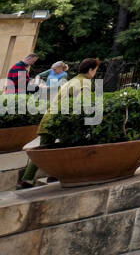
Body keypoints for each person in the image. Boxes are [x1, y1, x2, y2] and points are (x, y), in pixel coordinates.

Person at [18, 57, 99, 188]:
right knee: (67, 146)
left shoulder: (72, 80)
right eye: (95, 70)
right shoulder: (85, 83)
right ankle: (55, 174)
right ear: (90, 70)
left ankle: (28, 179)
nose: (95, 73)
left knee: (43, 149)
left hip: (49, 118)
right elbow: (84, 104)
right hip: (62, 120)